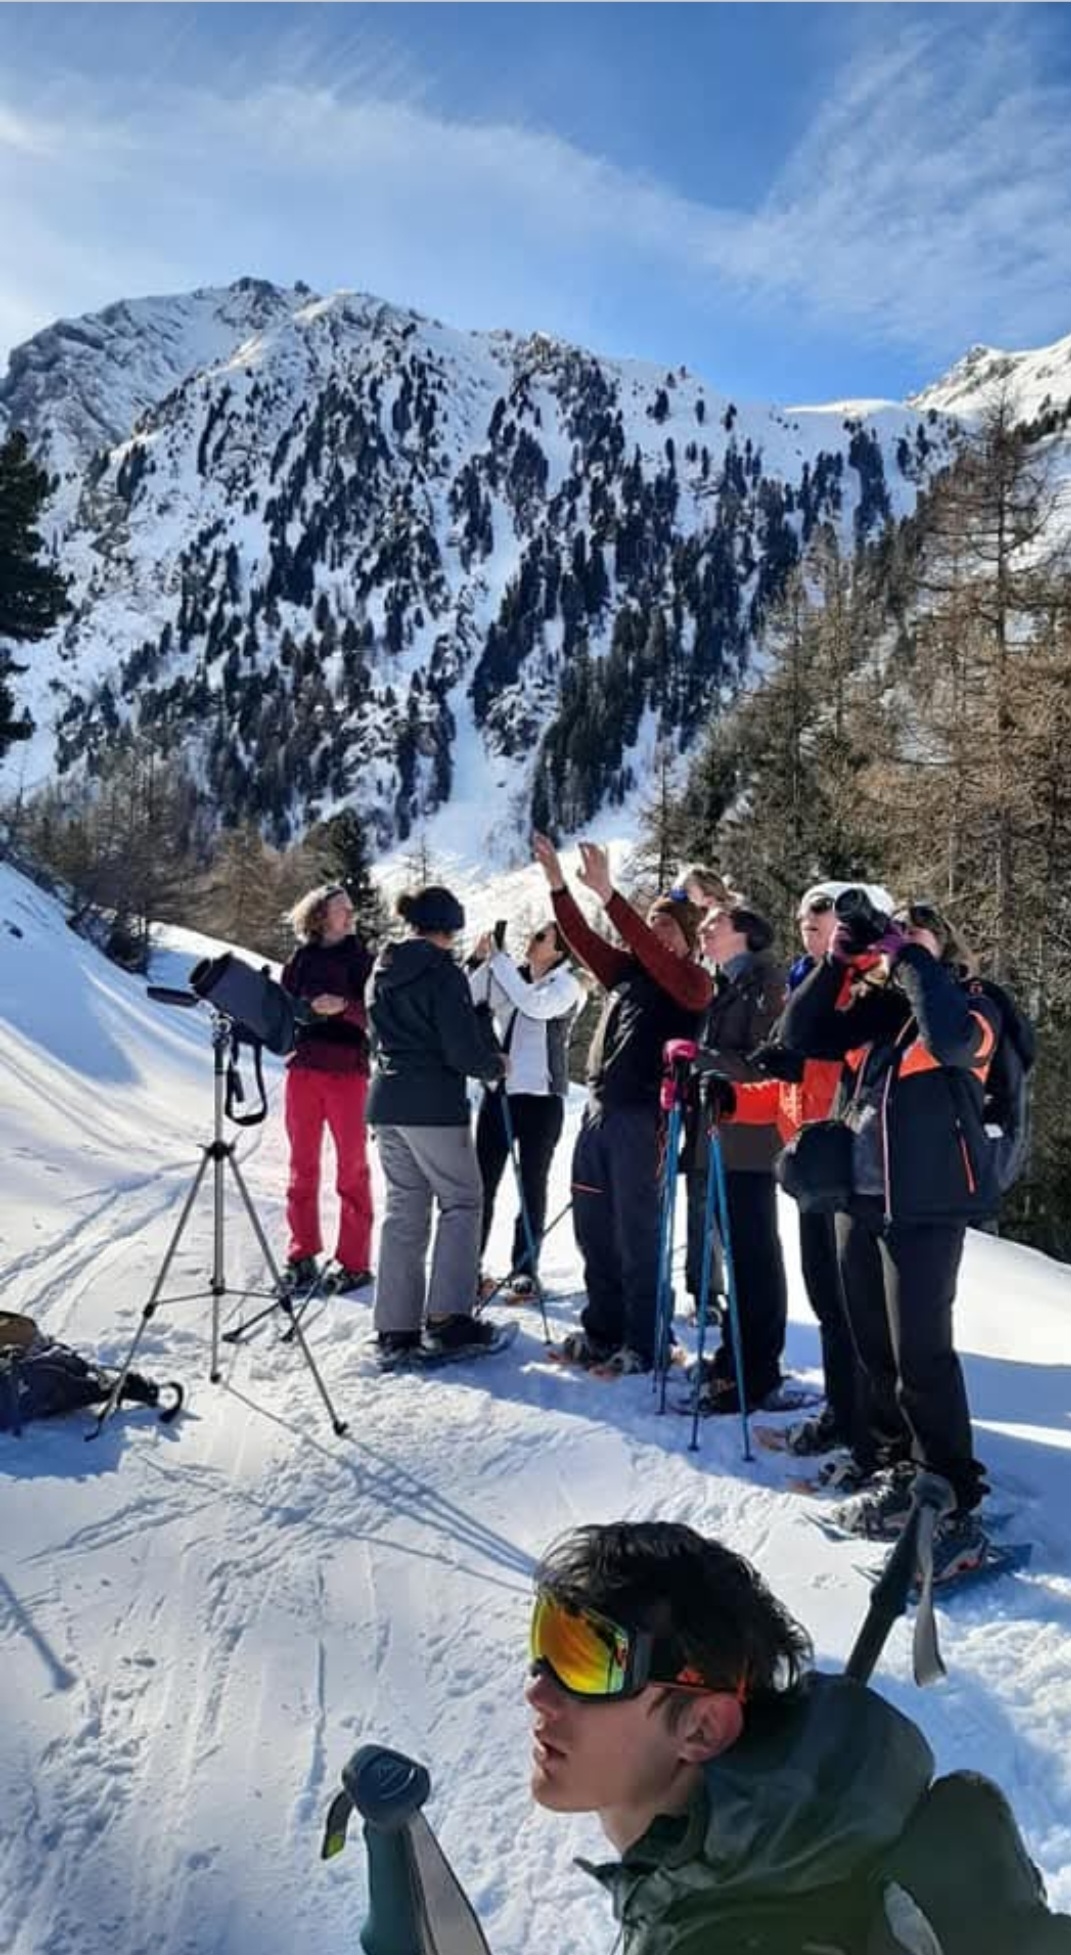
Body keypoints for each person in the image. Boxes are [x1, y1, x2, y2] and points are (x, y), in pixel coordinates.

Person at [526, 1520, 1069, 1955]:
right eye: (547, 1638)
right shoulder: (778, 1866)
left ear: (704, 1726)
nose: (537, 1690)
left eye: (589, 1662)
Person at [780, 897, 1000, 1578]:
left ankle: (954, 1500)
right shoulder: (879, 1014)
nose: (901, 934)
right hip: (862, 1198)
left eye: (918, 924)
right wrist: (839, 959)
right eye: (895, 925)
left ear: (944, 942)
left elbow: (951, 1042)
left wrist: (910, 957)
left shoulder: (975, 1002)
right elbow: (800, 1033)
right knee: (872, 1345)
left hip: (927, 1205)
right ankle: (901, 1474)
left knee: (921, 1355)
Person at [533, 834, 712, 1373]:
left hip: (644, 1117)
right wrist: (560, 886)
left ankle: (646, 1340)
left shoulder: (693, 983)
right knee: (593, 1225)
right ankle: (603, 1331)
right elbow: (584, 941)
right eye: (651, 925)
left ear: (686, 941)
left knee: (637, 1230)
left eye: (666, 928)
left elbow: (648, 947)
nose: (653, 936)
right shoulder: (628, 973)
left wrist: (612, 895)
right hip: (598, 1112)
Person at [730, 880, 893, 1454]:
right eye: (805, 910)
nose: (811, 919)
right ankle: (842, 1416)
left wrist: (803, 1056)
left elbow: (849, 1068)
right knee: (828, 1304)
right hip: (809, 1165)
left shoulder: (869, 982)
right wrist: (731, 1099)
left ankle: (868, 1431)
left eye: (825, 911)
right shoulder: (808, 981)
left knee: (856, 1311)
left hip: (851, 1167)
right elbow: (785, 1090)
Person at [366, 885, 507, 1357]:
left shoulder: (382, 969)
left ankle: (395, 1327)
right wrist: (494, 1064)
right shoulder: (442, 973)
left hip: (387, 1101)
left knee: (404, 1210)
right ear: (450, 929)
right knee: (462, 1201)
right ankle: (448, 1318)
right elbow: (460, 1049)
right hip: (433, 1104)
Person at [685, 902, 787, 1412]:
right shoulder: (724, 985)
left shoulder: (766, 985)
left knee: (753, 1257)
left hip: (749, 1138)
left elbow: (761, 1063)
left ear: (745, 933)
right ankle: (735, 1357)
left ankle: (757, 1370)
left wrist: (699, 1058)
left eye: (714, 924)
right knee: (737, 1251)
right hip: (718, 1135)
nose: (704, 931)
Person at [468, 921, 581, 1297]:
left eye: (540, 938)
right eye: (531, 935)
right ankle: (469, 1264)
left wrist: (499, 961)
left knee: (531, 1184)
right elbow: (471, 997)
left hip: (541, 1098)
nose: (530, 942)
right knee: (482, 1181)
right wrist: (481, 960)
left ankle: (524, 1268)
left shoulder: (566, 985)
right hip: (500, 1093)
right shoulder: (511, 975)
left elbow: (535, 1005)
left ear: (560, 951)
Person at [280, 883, 375, 1293]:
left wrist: (346, 1008)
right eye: (341, 909)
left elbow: (378, 1013)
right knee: (302, 1168)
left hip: (348, 1074)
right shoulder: (301, 959)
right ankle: (301, 1255)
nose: (350, 915)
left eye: (351, 909)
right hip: (303, 1071)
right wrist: (303, 1011)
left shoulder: (362, 960)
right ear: (319, 916)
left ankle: (355, 1263)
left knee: (351, 1170)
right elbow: (282, 1008)